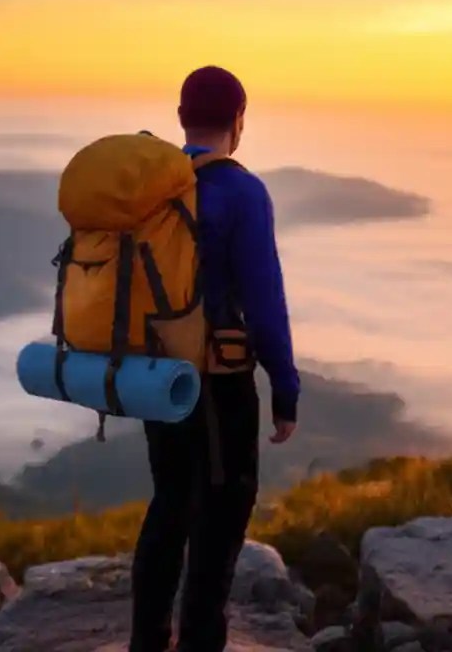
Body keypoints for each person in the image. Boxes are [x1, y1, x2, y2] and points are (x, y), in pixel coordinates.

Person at [130, 65, 301, 652]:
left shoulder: (155, 185)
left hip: (157, 378)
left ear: (180, 119)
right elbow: (264, 299)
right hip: (219, 383)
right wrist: (284, 386)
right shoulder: (241, 191)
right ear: (240, 121)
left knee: (170, 504)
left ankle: (147, 643)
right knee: (223, 515)